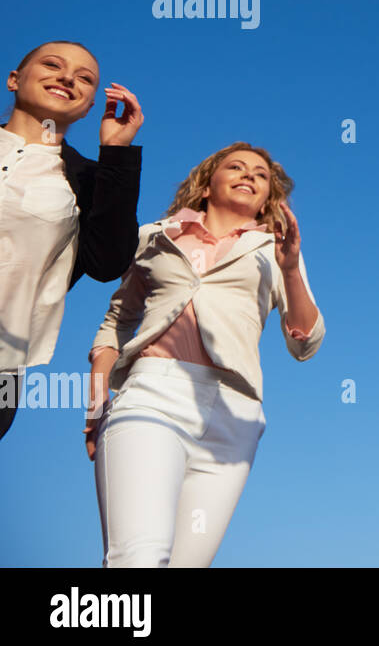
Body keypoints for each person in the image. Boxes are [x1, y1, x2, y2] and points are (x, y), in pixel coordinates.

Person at [84, 142, 325, 567]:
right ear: (206, 185)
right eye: (235, 167)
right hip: (153, 395)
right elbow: (117, 323)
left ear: (269, 196)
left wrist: (289, 269)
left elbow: (304, 343)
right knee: (139, 557)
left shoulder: (276, 251)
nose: (249, 175)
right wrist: (95, 403)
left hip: (235, 415)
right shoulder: (155, 237)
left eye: (261, 174)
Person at [0, 40, 143, 442]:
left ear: (88, 105)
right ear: (14, 79)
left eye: (85, 79)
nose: (67, 78)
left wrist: (116, 152)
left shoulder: (87, 180)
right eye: (52, 65)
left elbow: (108, 264)